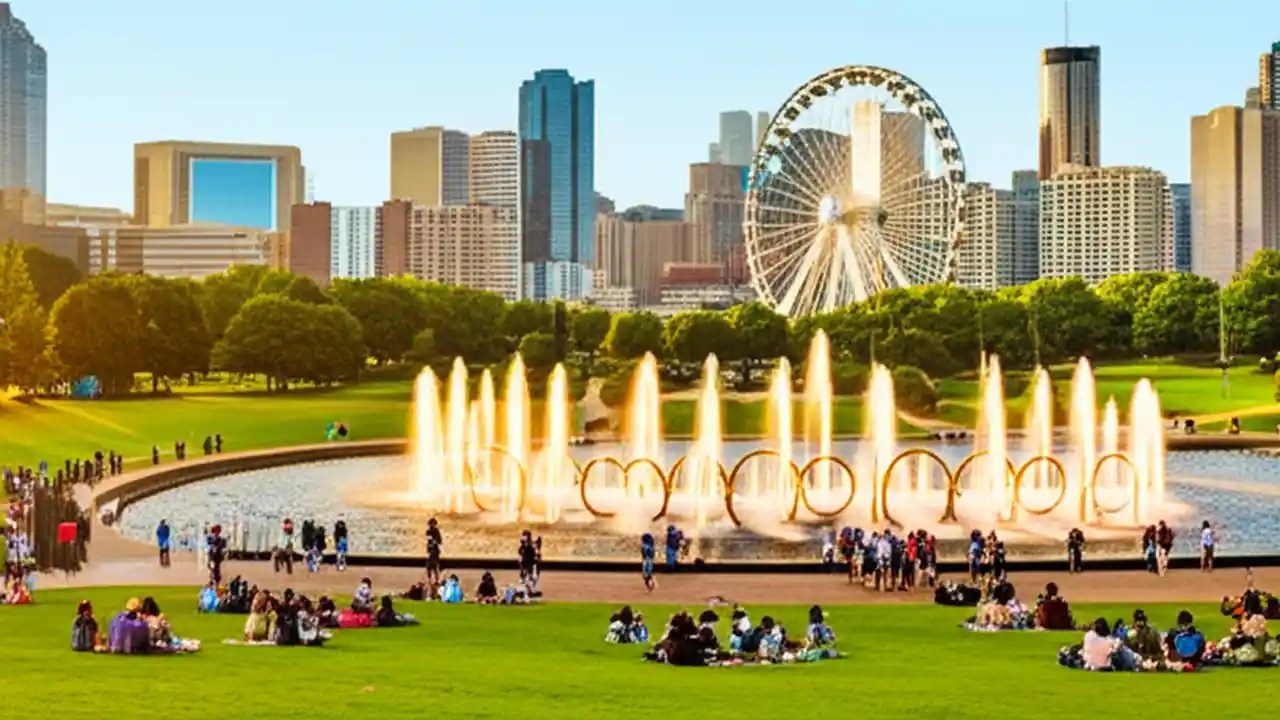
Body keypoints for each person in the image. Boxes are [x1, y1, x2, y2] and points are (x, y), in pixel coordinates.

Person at [425, 518, 443, 585]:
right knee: (430, 566)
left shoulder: (436, 531)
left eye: (433, 523)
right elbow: (429, 540)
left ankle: (436, 580)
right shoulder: (429, 531)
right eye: (431, 523)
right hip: (431, 550)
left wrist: (434, 542)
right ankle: (431, 579)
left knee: (434, 566)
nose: (432, 525)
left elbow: (439, 541)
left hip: (435, 550)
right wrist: (431, 545)